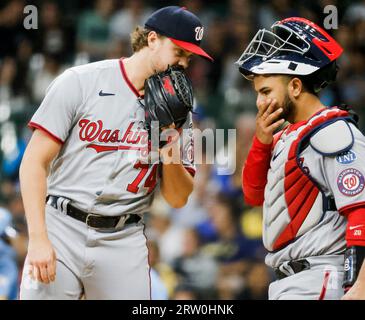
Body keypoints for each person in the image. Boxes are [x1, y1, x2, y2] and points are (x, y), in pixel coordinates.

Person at [19, 6, 212, 300]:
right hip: (61, 225)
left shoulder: (180, 110)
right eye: (179, 52)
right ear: (152, 40)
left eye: (190, 57)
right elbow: (33, 162)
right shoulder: (82, 82)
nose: (184, 63)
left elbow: (177, 197)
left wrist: (168, 139)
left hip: (123, 237)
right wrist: (37, 237)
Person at [237, 17, 365, 299]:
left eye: (265, 91)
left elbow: (361, 209)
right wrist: (261, 142)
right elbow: (252, 195)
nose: (259, 102)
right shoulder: (290, 135)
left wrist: (360, 286)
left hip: (321, 277)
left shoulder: (334, 131)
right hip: (292, 280)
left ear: (295, 87)